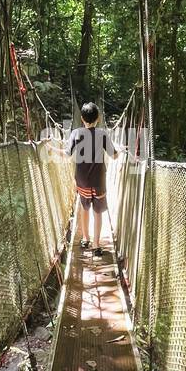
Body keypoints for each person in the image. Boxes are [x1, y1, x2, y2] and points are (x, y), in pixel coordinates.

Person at [64, 101, 118, 257]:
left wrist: (50, 148)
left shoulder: (75, 133)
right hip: (98, 181)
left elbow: (66, 154)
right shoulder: (102, 134)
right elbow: (113, 156)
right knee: (98, 213)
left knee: (84, 207)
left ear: (81, 118)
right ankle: (96, 245)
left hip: (82, 181)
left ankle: (85, 239)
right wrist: (120, 151)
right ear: (98, 118)